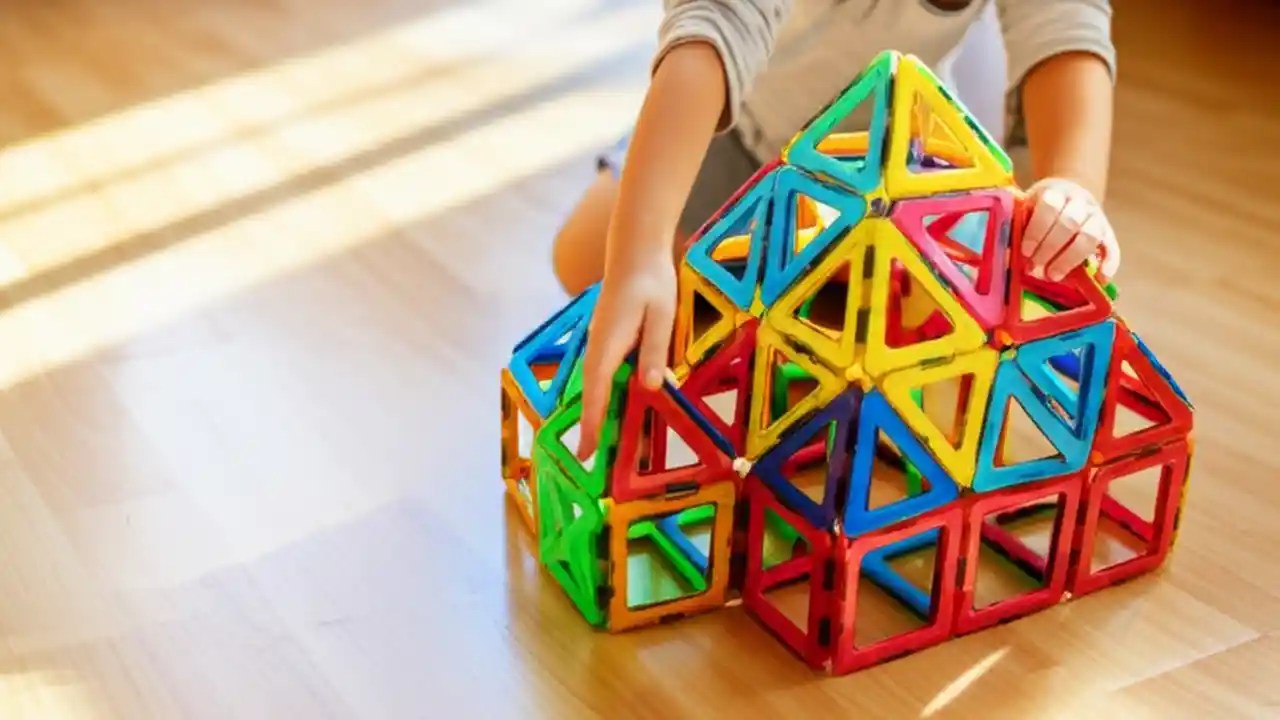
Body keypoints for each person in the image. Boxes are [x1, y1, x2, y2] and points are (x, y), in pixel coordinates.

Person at [556, 0, 1122, 459]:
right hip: (745, 130)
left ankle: (812, 309)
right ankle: (782, 297)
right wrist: (642, 248)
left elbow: (1066, 33)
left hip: (893, 167)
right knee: (583, 258)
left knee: (949, 330)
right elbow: (713, 24)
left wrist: (1071, 183)